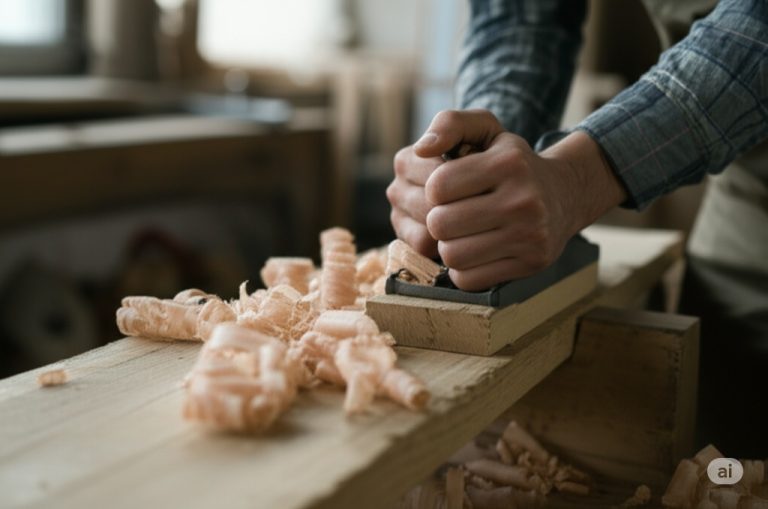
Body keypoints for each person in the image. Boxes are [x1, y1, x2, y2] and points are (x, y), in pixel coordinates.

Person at [386, 0, 768, 456]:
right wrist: (479, 159)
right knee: (719, 447)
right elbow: (521, 15)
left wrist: (581, 177)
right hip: (745, 182)